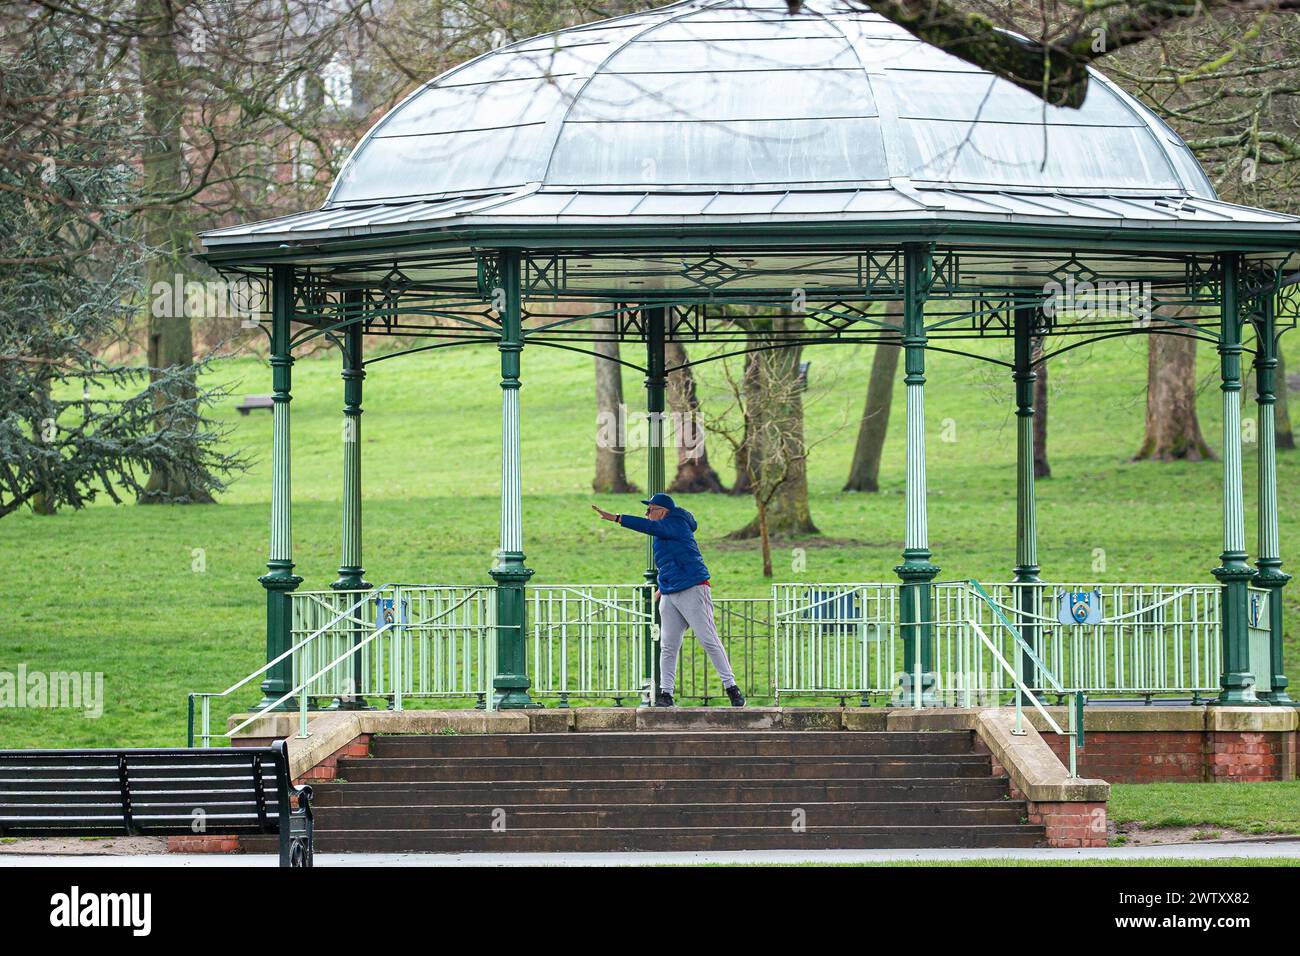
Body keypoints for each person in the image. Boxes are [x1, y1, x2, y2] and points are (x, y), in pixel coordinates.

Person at [592, 493, 745, 707]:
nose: (646, 514)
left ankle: (732, 688)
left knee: (708, 639)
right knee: (668, 645)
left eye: (650, 510)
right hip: (670, 591)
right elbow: (668, 563)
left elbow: (652, 529)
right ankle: (666, 693)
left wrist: (617, 518)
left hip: (692, 587)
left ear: (662, 511)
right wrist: (662, 588)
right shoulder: (663, 531)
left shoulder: (676, 523)